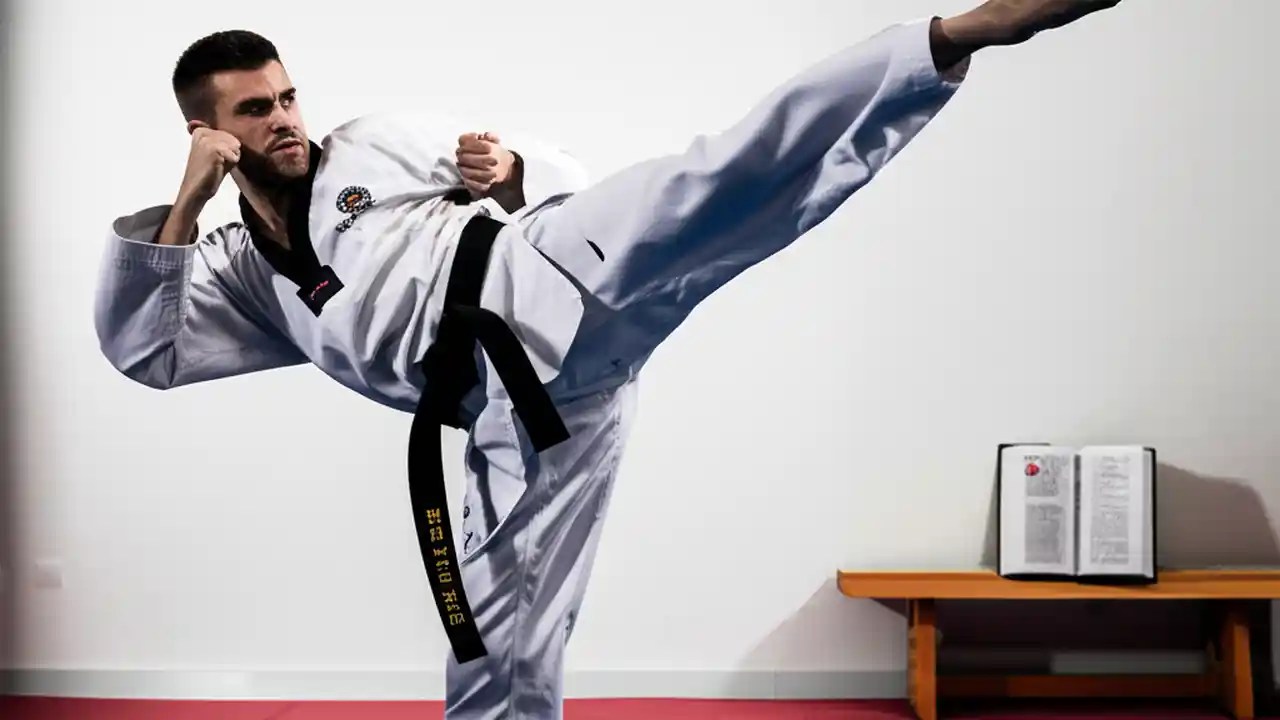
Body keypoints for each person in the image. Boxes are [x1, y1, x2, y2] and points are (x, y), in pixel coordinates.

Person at [93, 1, 1124, 717]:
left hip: (546, 271)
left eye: (286, 98)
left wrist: (510, 169)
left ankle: (954, 37)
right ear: (205, 131)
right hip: (528, 418)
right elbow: (145, 346)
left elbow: (553, 174)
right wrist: (186, 203)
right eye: (254, 110)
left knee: (722, 179)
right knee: (498, 635)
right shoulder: (239, 274)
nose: (283, 120)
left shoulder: (370, 143)